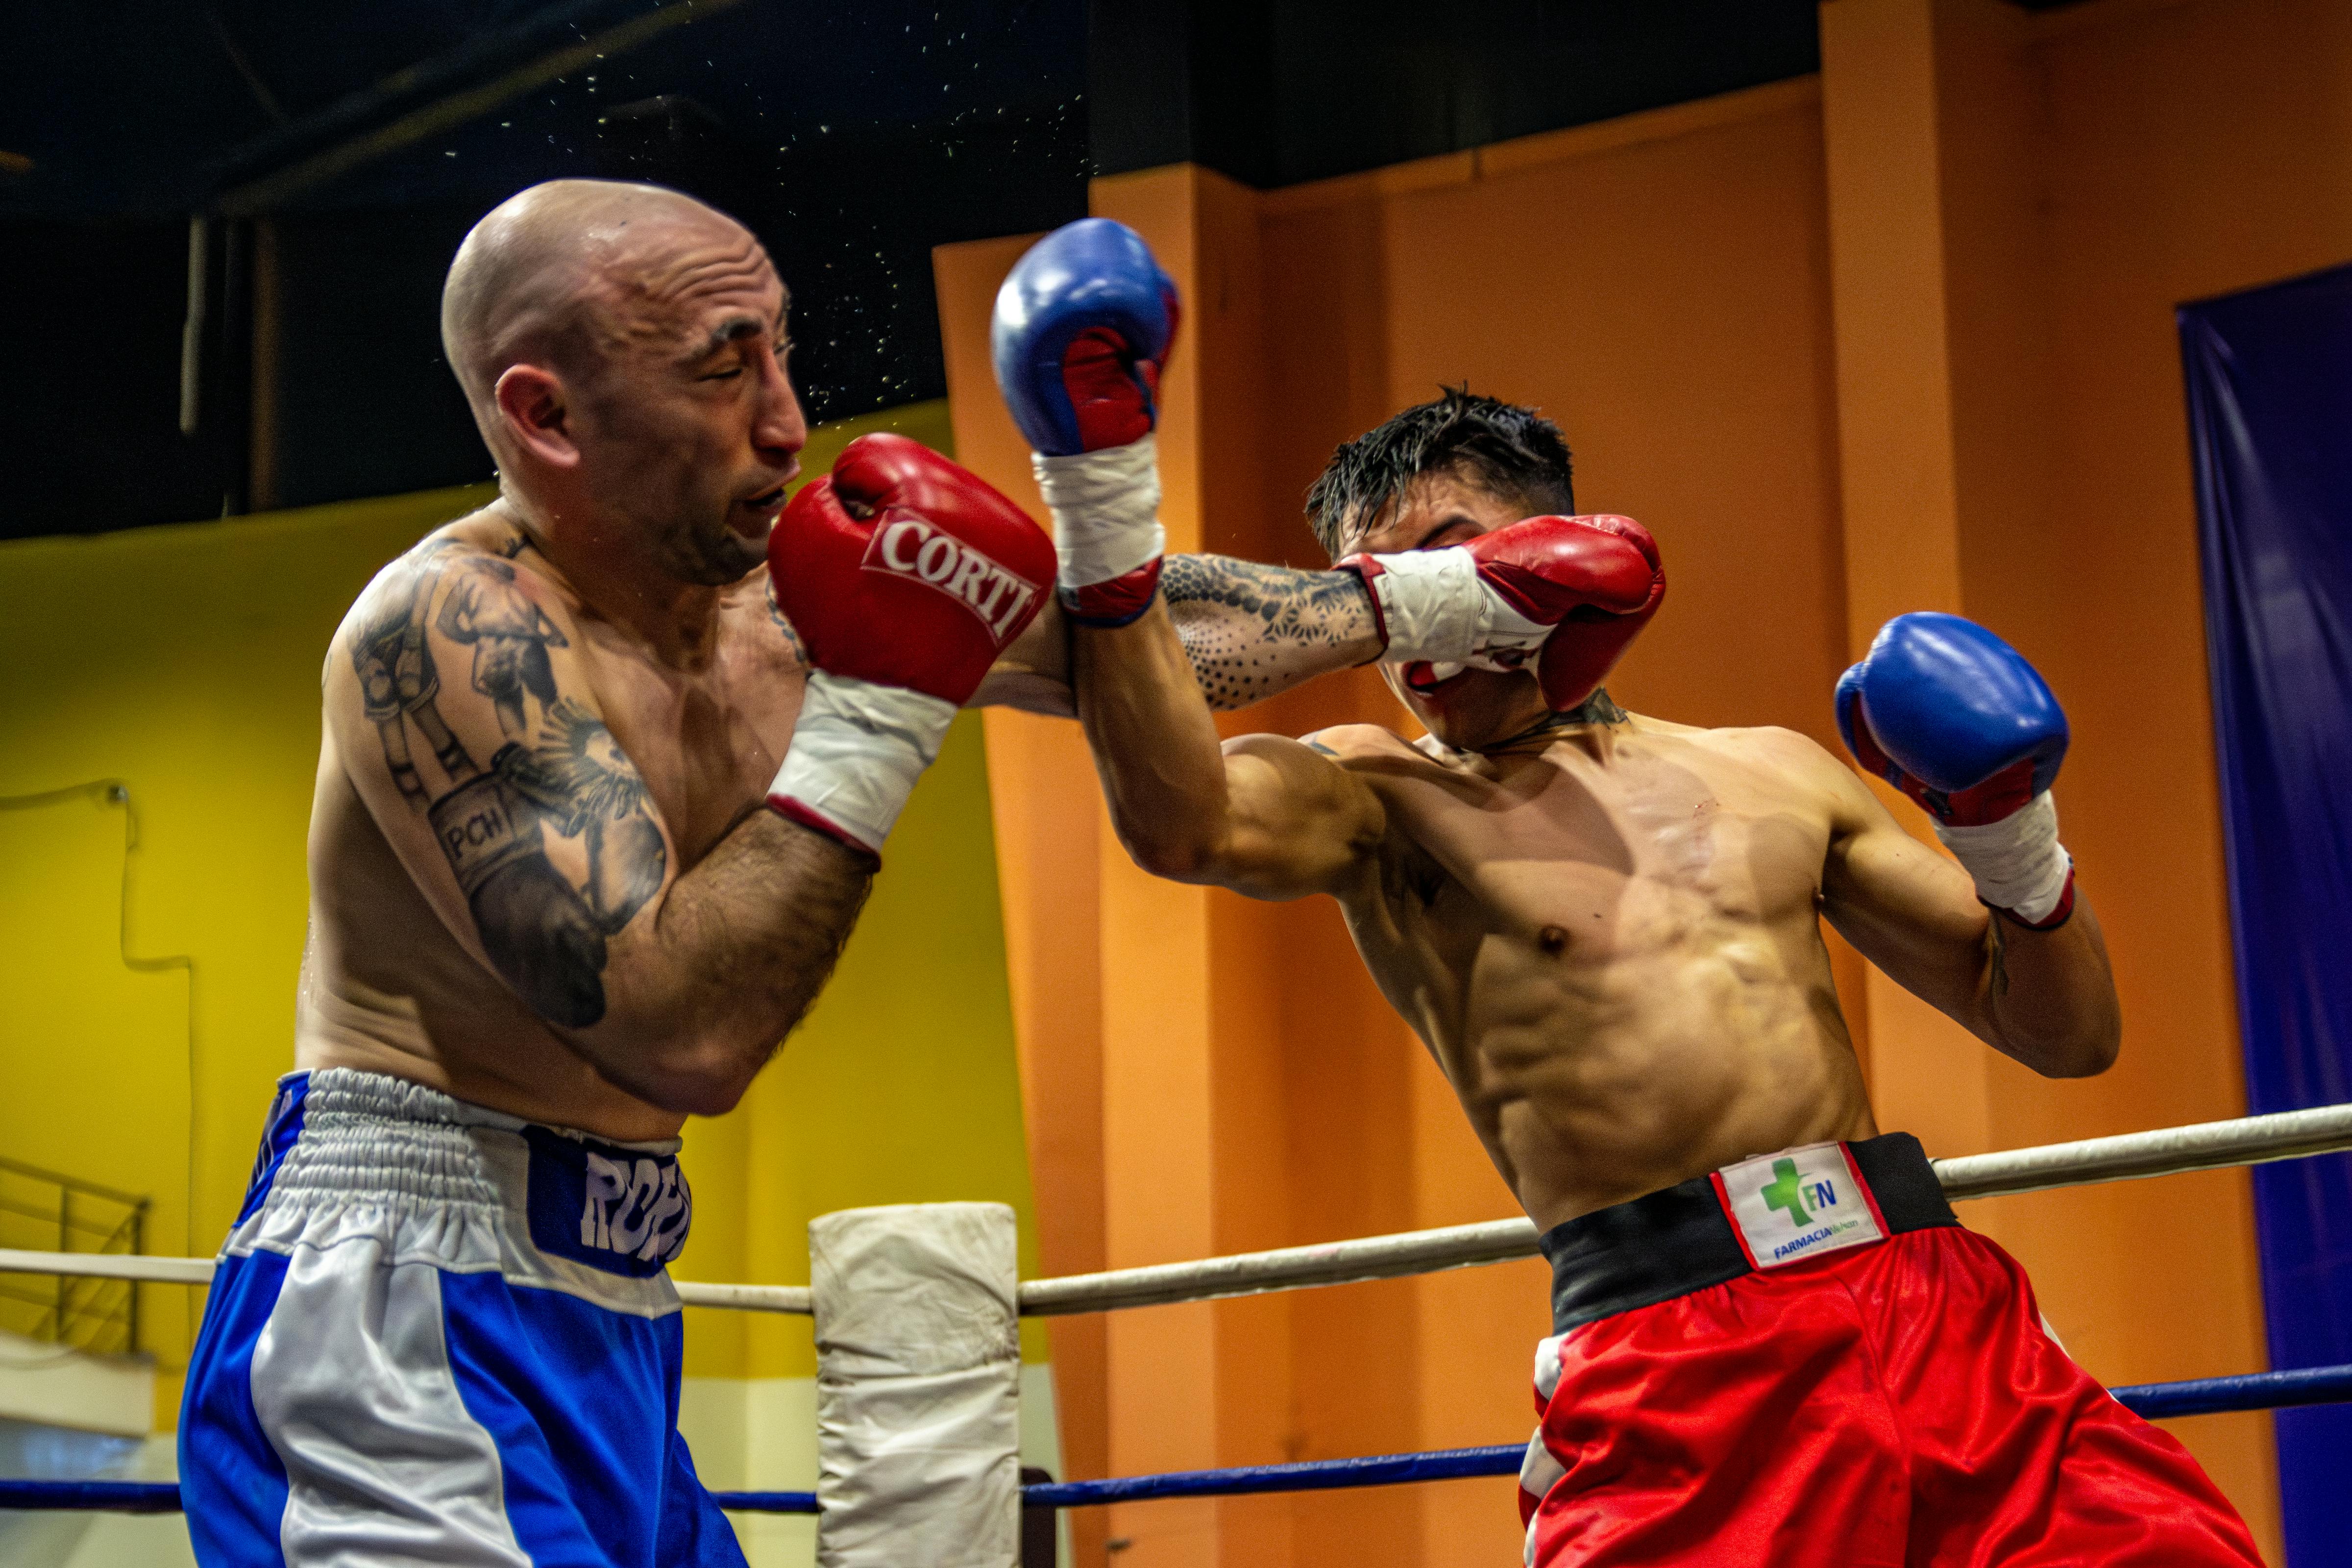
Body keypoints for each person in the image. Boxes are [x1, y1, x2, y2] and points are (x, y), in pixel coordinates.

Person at [992, 219, 2265, 1566]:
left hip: (1932, 1306)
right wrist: (1107, 498)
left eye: (1459, 555)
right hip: (1676, 1354)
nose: (1427, 635)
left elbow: (2068, 1036)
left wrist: (2015, 837)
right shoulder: (1381, 797)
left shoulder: (1775, 772)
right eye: (1399, 594)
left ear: (1556, 541)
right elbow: (1183, 821)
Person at [176, 179, 1056, 1567]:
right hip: (411, 1306)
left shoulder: (770, 609)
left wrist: (1432, 597)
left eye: (780, 349)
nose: (786, 418)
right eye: (724, 366)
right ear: (546, 416)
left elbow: (1152, 640)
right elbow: (682, 1033)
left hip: (619, 1316)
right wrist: (883, 712)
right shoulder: (455, 626)